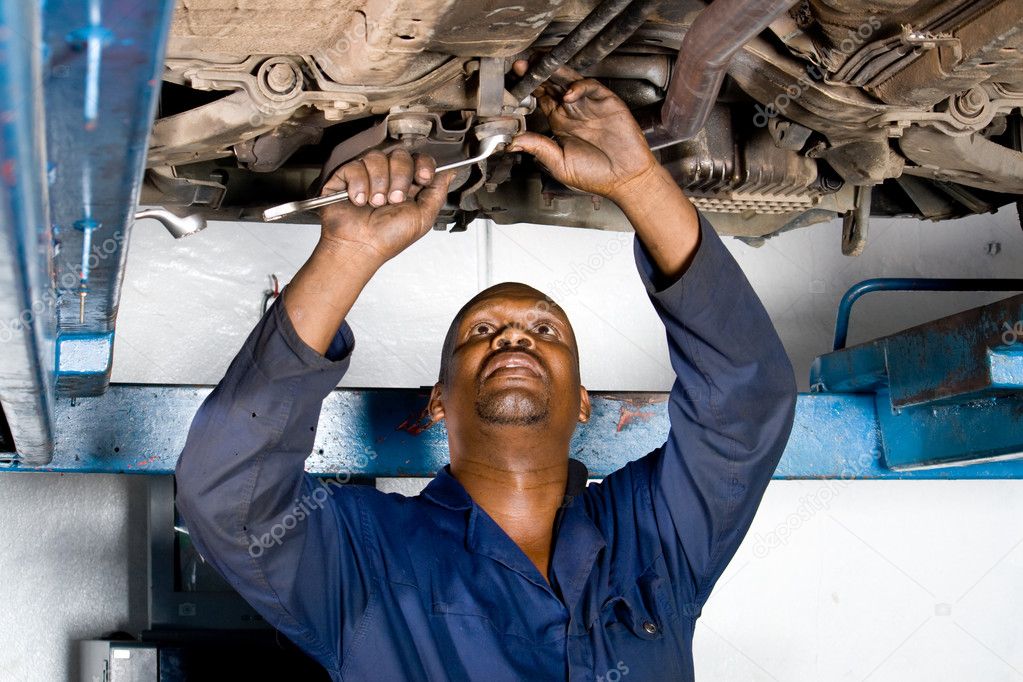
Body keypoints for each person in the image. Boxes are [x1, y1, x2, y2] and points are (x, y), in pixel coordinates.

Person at [174, 62, 797, 681]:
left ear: (583, 401)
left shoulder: (655, 536)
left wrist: (640, 181)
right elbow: (232, 501)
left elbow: (748, 400)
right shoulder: (364, 557)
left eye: (545, 331)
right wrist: (346, 254)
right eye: (482, 333)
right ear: (438, 401)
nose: (515, 336)